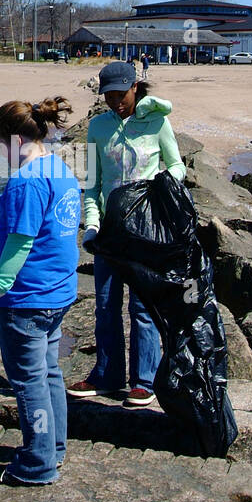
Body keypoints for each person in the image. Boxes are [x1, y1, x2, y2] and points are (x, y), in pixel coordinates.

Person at [0, 97, 79, 485]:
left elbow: (20, 242)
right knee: (49, 373)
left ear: (15, 141)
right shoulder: (60, 168)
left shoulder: (25, 181)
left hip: (28, 298)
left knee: (29, 381)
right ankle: (55, 448)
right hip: (59, 291)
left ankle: (37, 463)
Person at [68, 61, 185, 407]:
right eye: (109, 96)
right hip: (108, 231)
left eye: (122, 94)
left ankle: (144, 381)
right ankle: (107, 374)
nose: (116, 102)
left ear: (136, 87)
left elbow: (177, 165)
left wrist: (162, 185)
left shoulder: (157, 122)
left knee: (142, 308)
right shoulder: (98, 128)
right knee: (105, 305)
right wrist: (91, 224)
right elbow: (92, 184)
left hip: (146, 230)